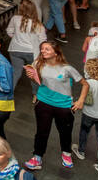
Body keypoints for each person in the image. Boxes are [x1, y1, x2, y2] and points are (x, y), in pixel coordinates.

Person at [24, 39, 87, 170]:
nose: (43, 51)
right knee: (42, 132)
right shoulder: (38, 63)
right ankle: (37, 158)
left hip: (63, 106)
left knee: (65, 132)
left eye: (47, 49)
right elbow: (38, 82)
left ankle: (66, 153)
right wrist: (31, 77)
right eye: (42, 48)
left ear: (56, 52)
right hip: (43, 103)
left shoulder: (67, 68)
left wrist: (80, 100)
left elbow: (85, 84)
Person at [5, 0, 46, 80]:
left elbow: (9, 31)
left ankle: (9, 92)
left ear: (21, 9)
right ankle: (35, 92)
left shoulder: (15, 18)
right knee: (33, 73)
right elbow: (43, 40)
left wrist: (16, 37)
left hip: (15, 50)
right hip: (31, 52)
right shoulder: (38, 24)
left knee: (16, 73)